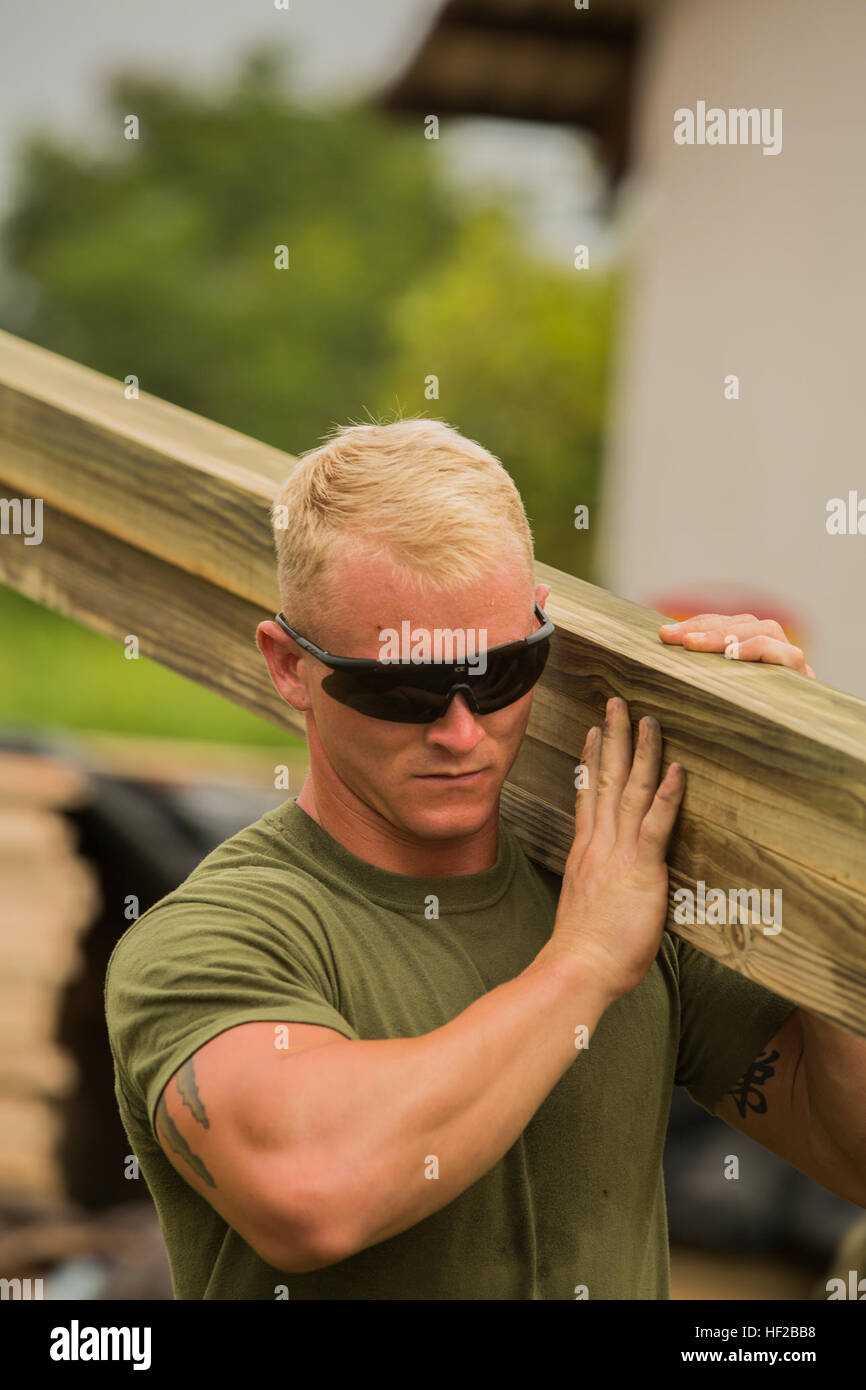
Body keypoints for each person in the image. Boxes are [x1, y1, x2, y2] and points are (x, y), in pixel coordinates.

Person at [105, 418, 864, 1300]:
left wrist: (817, 832)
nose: (463, 732)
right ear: (287, 665)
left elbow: (852, 1157)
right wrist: (581, 964)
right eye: (403, 688)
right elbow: (309, 1194)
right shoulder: (211, 941)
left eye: (502, 672)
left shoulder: (606, 885)